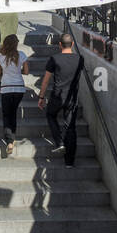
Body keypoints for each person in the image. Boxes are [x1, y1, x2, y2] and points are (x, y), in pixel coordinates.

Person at [38, 32, 83, 166]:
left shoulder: (54, 58)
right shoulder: (80, 59)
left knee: (50, 115)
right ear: (73, 44)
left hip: (57, 96)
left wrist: (41, 96)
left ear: (59, 45)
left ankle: (60, 142)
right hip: (72, 98)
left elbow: (46, 80)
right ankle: (69, 162)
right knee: (71, 128)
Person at [0, 34, 31, 155]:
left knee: (6, 115)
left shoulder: (0, 56)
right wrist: (17, 70)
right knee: (13, 114)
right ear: (15, 44)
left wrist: (6, 71)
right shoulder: (21, 55)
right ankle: (12, 139)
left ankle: (9, 141)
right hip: (19, 89)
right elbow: (26, 71)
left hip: (6, 89)